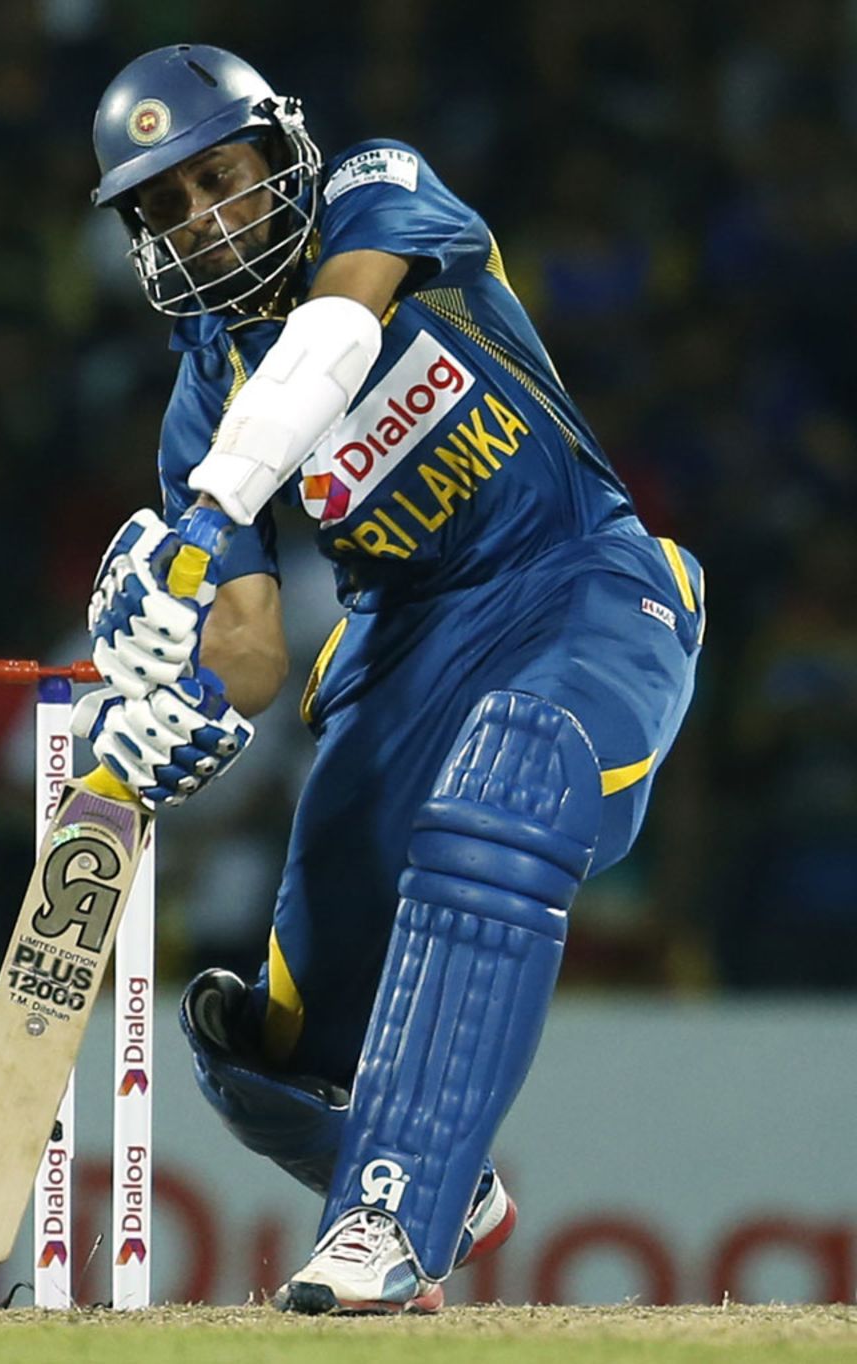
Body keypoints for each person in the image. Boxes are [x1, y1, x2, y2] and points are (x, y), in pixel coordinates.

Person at [72, 43, 705, 1314]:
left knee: (506, 778)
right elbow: (251, 649)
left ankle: (394, 1206)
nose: (205, 220)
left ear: (281, 157)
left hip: (579, 583)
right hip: (403, 651)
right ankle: (439, 1180)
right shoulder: (203, 405)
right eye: (166, 207)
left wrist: (207, 513)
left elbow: (338, 328)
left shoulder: (374, 194)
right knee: (271, 1057)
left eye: (224, 179)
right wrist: (163, 691)